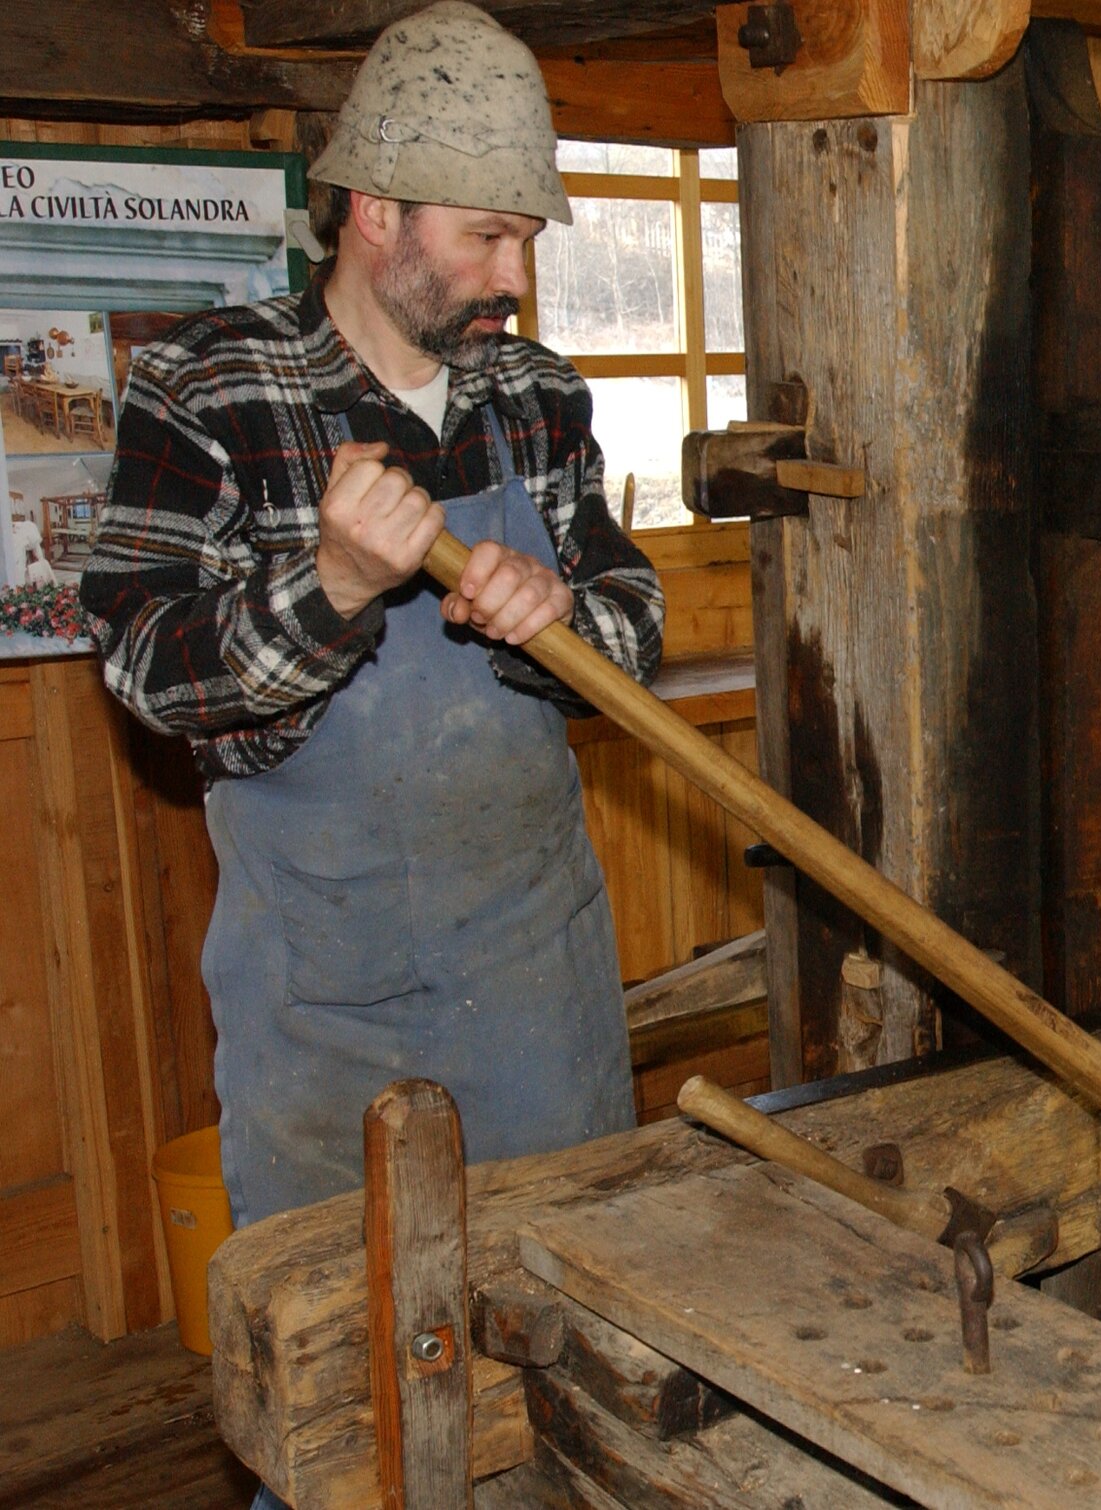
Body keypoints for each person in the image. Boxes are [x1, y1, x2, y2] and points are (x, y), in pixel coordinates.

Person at [82, 2, 661, 1239]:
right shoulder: (212, 387)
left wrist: (568, 622)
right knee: (346, 1369)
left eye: (523, 241)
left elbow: (636, 614)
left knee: (578, 1337)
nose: (515, 277)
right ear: (378, 211)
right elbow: (142, 662)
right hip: (325, 1016)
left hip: (536, 990)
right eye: (489, 237)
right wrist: (331, 586)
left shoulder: (535, 396)